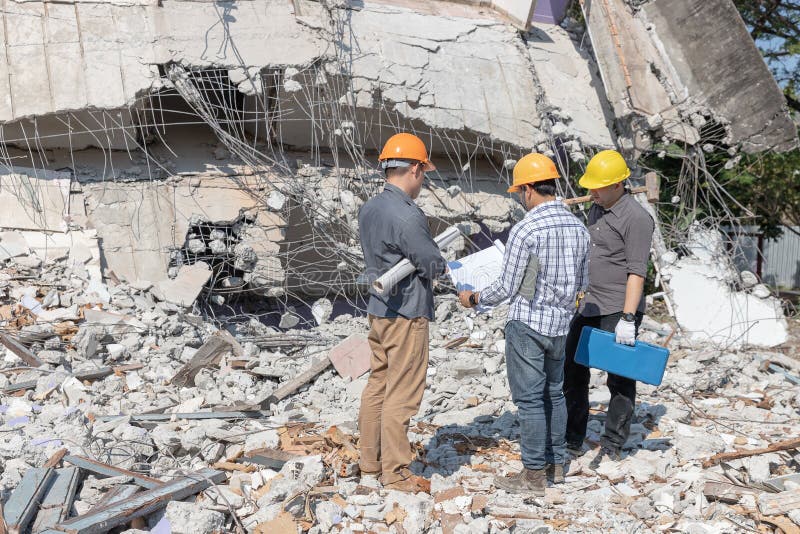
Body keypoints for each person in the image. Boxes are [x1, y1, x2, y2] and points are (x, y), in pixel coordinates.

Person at [458, 153, 590, 496]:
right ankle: (556, 465)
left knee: (530, 401)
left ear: (530, 189)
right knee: (555, 394)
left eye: (520, 191)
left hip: (529, 323)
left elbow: (506, 287)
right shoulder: (579, 227)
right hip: (561, 325)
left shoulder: (527, 228)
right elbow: (582, 283)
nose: (520, 197)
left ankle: (532, 477)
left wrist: (474, 299)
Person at [357, 132, 447, 492]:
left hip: (379, 311)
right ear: (415, 168)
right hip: (407, 314)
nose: (423, 180)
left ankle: (369, 465)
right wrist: (443, 265)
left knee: (378, 385)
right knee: (403, 394)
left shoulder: (370, 208)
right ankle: (395, 473)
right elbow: (430, 264)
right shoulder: (408, 215)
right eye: (423, 172)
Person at [562, 149, 655, 469]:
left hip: (618, 307)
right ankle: (572, 438)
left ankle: (613, 442)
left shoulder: (637, 219)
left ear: (618, 184)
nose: (591, 193)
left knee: (618, 377)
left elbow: (636, 272)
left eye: (598, 188)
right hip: (590, 304)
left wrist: (628, 319)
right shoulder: (596, 209)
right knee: (572, 370)